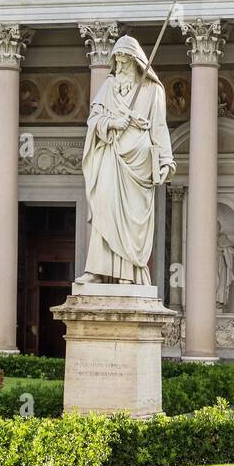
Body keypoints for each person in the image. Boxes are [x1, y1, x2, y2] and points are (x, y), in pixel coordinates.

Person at [75, 35, 174, 285]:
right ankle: (97, 270)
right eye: (117, 61)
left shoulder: (153, 91)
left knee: (131, 220)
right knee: (104, 208)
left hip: (138, 163)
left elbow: (159, 127)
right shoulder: (108, 87)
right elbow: (94, 121)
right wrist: (114, 123)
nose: (120, 66)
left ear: (135, 61)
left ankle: (128, 273)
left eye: (125, 60)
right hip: (111, 155)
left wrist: (165, 159)